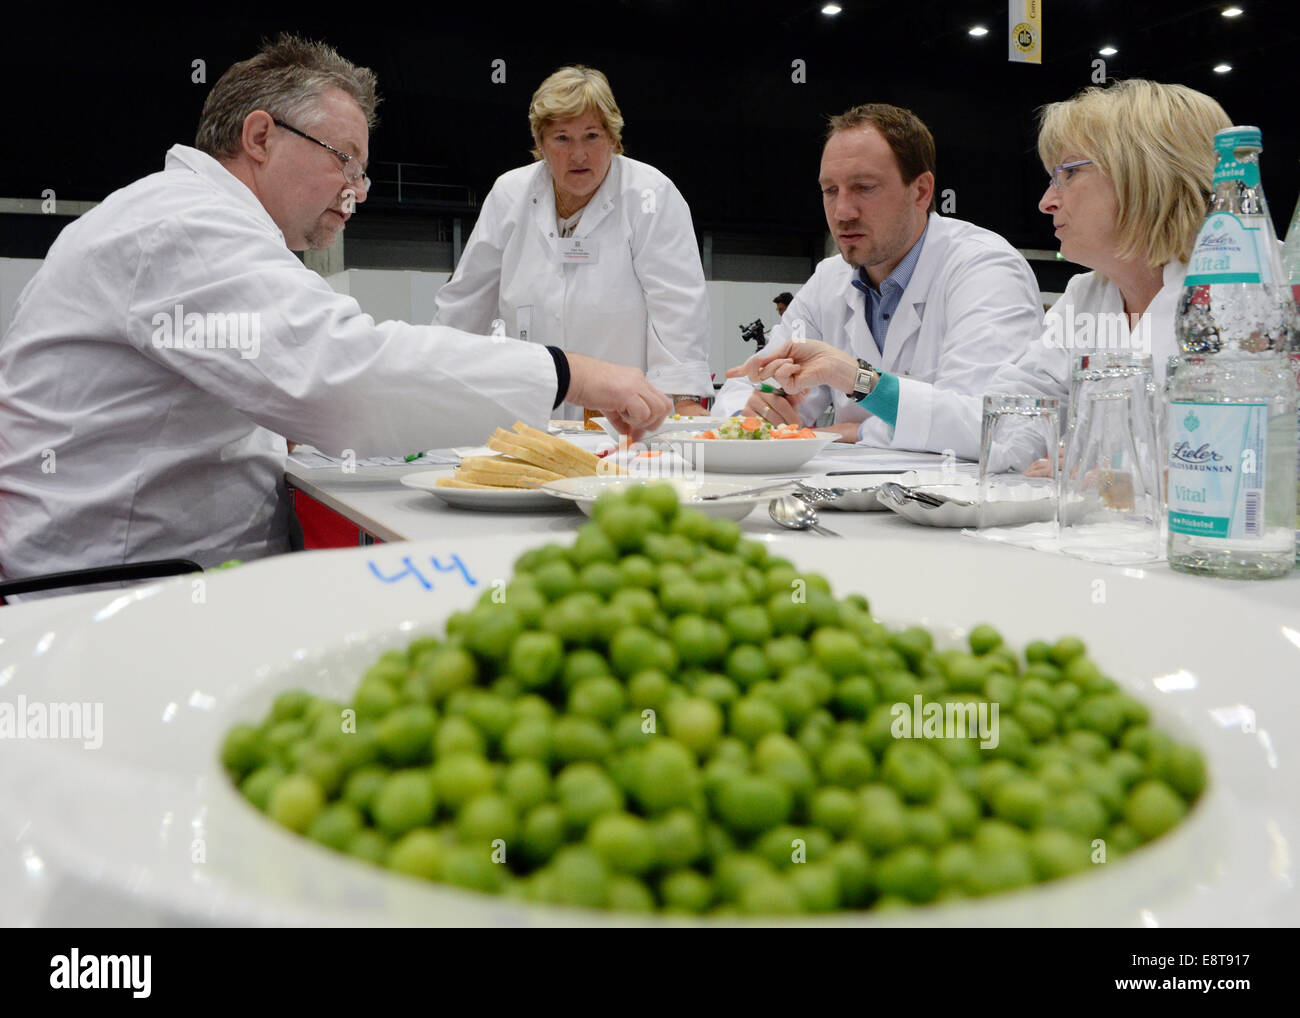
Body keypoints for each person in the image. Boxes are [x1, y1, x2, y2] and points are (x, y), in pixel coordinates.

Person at [0, 36, 670, 587]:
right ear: (260, 136)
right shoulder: (183, 227)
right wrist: (569, 373)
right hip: (119, 591)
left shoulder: (205, 227)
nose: (356, 193)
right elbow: (343, 376)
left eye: (363, 174)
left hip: (167, 569)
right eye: (344, 162)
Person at [732, 81, 1231, 471]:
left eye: (1067, 174)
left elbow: (1246, 460)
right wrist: (855, 380)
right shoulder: (1088, 297)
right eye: (830, 191)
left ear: (1142, 172)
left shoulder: (1246, 289)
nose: (1047, 200)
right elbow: (999, 428)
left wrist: (1089, 469)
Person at [715, 102, 1042, 448]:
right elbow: (748, 383)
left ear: (921, 191)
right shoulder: (830, 279)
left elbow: (993, 427)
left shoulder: (985, 268)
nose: (842, 212)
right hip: (843, 495)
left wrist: (858, 408)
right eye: (830, 190)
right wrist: (758, 413)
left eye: (864, 187)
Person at [434, 66, 715, 419]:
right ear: (539, 143)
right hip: (530, 410)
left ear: (613, 138)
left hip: (623, 417)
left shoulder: (650, 195)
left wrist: (684, 398)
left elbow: (677, 304)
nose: (578, 155)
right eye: (562, 138)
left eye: (592, 136)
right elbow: (466, 301)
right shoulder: (509, 195)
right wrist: (432, 379)